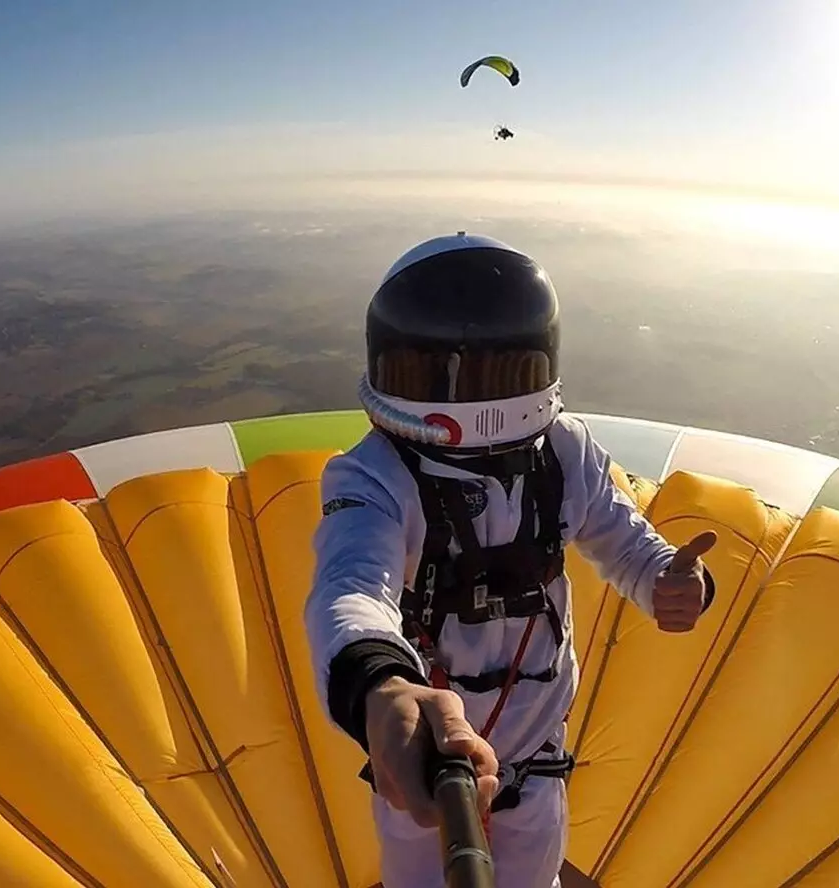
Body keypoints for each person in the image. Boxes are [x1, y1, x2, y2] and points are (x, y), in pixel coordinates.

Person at [304, 232, 717, 888]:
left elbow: (624, 540)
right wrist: (380, 686)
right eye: (434, 372)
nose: (462, 392)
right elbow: (351, 590)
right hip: (428, 766)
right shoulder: (374, 477)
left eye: (487, 376)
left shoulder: (563, 454)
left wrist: (668, 576)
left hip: (521, 763)